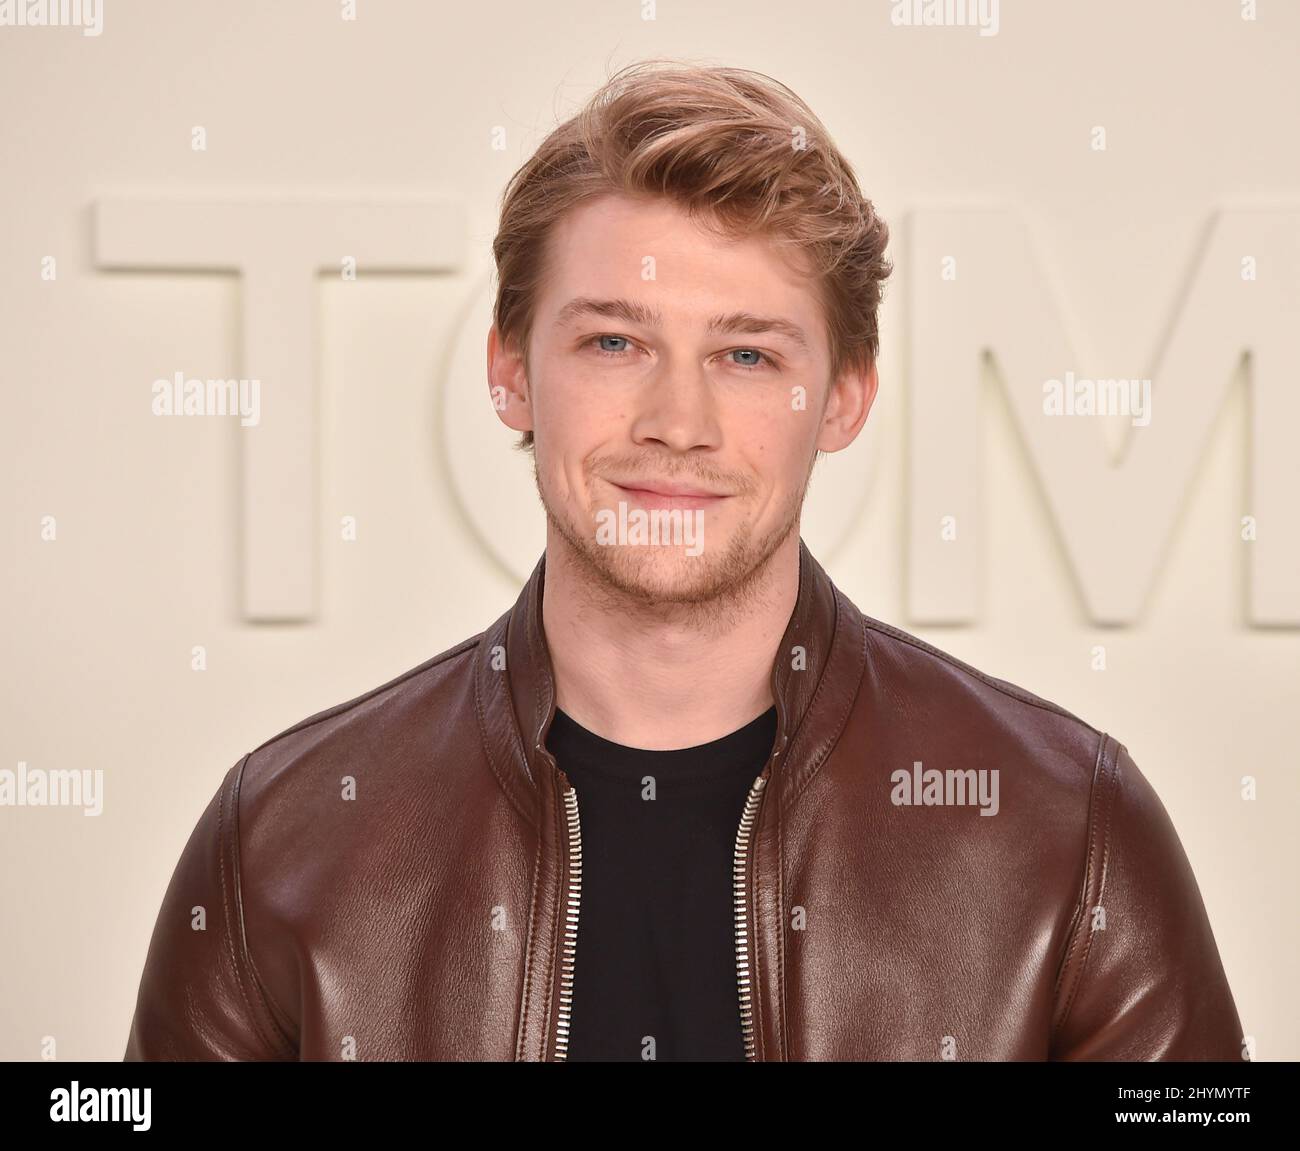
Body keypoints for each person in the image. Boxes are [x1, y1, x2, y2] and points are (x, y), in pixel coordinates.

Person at [124, 59, 1243, 1061]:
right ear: (510, 369)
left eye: (747, 354)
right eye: (615, 341)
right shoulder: (283, 837)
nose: (678, 420)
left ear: (843, 397)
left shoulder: (1065, 828)